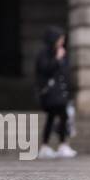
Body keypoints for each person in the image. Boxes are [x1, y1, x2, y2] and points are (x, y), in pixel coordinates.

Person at [35, 26, 76, 158]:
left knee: (54, 118)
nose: (62, 42)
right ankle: (61, 144)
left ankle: (47, 145)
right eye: (60, 39)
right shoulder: (44, 54)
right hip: (51, 94)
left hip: (60, 94)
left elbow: (65, 74)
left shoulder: (61, 52)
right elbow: (46, 69)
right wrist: (57, 59)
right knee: (61, 117)